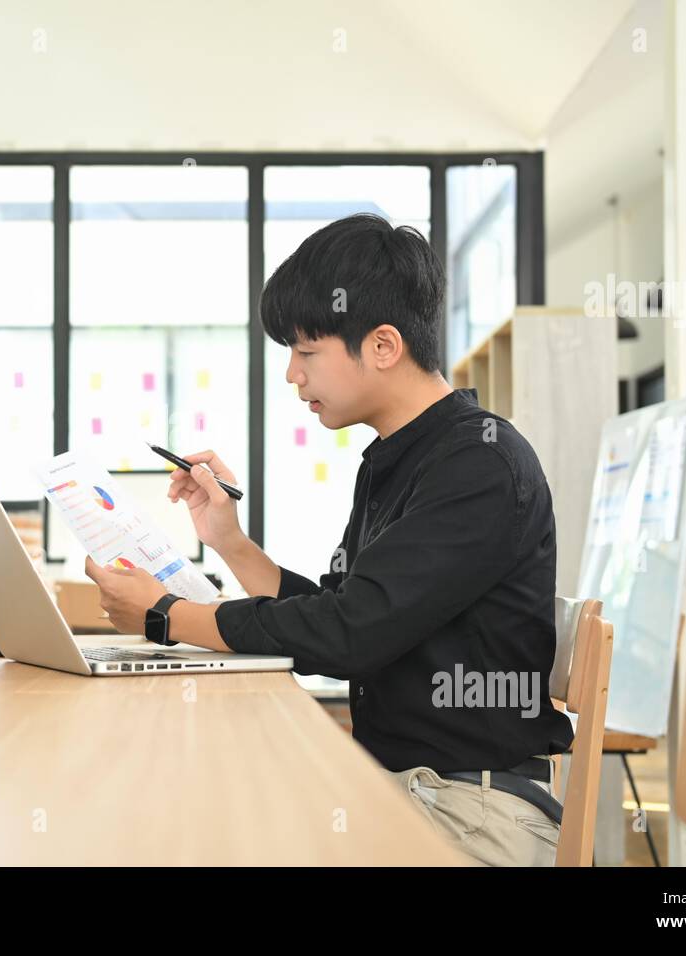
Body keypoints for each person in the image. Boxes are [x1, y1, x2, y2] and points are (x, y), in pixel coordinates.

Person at [84, 213, 574, 866]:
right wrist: (230, 542)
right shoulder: (397, 458)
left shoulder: (478, 465)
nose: (292, 374)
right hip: (413, 789)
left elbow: (349, 635)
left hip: (475, 814)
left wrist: (166, 615)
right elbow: (344, 609)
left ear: (382, 346)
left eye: (306, 351)